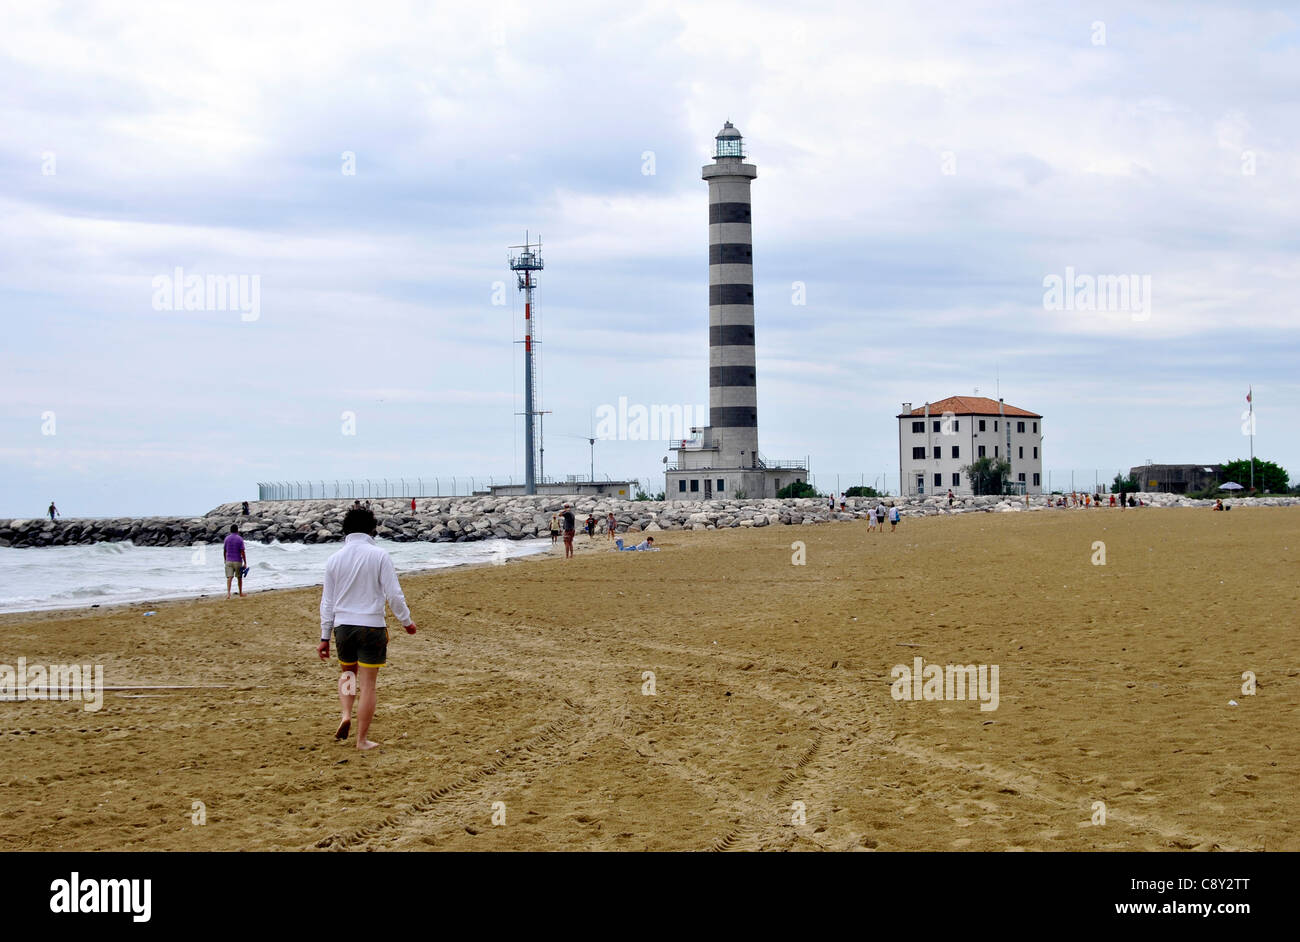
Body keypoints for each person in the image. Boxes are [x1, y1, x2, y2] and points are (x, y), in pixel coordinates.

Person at [316, 507, 417, 751]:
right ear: (372, 528)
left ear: (346, 529)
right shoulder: (379, 555)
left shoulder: (334, 559)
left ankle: (346, 714)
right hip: (371, 625)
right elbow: (393, 594)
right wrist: (406, 621)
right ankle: (361, 740)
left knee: (348, 675)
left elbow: (327, 602)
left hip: (343, 626)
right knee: (368, 685)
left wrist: (324, 636)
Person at [224, 524, 248, 599]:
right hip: (237, 561)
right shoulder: (240, 539)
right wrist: (245, 562)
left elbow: (224, 551)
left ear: (230, 530)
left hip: (229, 561)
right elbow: (242, 552)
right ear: (237, 530)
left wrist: (225, 559)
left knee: (229, 578)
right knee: (239, 578)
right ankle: (240, 593)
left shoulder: (226, 539)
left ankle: (228, 594)